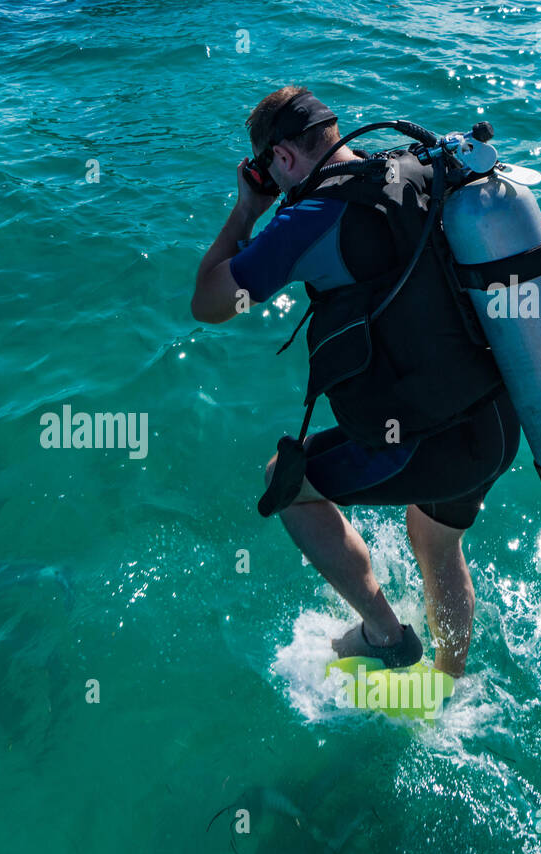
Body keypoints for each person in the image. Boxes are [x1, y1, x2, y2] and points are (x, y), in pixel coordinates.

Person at [190, 86, 521, 678]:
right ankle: (449, 682)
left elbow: (208, 302)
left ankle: (384, 635)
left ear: (283, 160)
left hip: (433, 435)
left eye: (269, 167)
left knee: (285, 485)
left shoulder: (306, 220)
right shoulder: (415, 170)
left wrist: (247, 208)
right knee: (434, 539)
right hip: (498, 416)